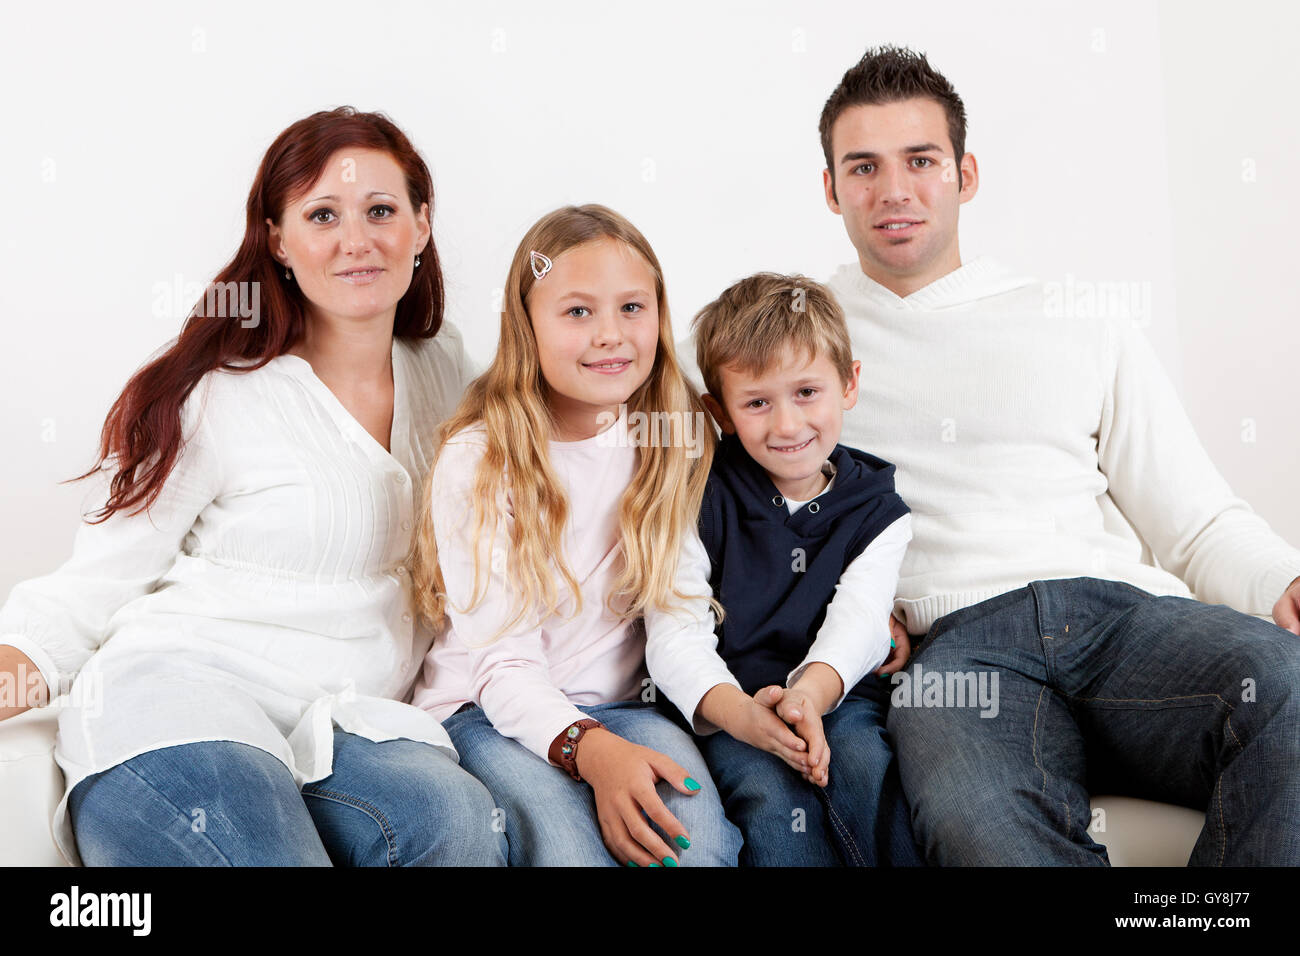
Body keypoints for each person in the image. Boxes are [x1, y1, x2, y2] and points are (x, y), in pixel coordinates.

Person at [813, 45, 1300, 865]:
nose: (893, 190)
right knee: (979, 825)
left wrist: (1284, 582)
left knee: (1286, 686)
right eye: (863, 167)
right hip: (957, 649)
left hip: (1122, 621)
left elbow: (1197, 521)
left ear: (965, 175)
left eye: (920, 160)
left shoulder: (1078, 321)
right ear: (830, 189)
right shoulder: (793, 342)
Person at [0, 107, 505, 867]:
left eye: (380, 210)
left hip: (347, 725)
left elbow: (548, 442)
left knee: (457, 823)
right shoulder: (218, 393)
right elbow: (89, 587)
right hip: (183, 704)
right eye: (322, 215)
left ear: (421, 224)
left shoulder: (444, 369)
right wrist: (17, 667)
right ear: (278, 239)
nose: (356, 240)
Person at [409, 204, 741, 867]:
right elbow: (503, 666)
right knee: (569, 850)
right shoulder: (482, 458)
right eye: (577, 312)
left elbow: (693, 598)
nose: (611, 335)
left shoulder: (671, 439)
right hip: (487, 709)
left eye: (631, 308)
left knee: (691, 848)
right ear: (526, 328)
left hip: (626, 707)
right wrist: (593, 752)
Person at [644, 272, 923, 866]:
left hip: (833, 693)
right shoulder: (697, 492)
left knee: (867, 772)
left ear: (849, 384)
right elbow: (674, 631)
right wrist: (741, 714)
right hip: (728, 704)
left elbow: (861, 621)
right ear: (720, 412)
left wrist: (807, 698)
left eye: (806, 393)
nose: (788, 425)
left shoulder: (879, 511)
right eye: (757, 403)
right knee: (769, 795)